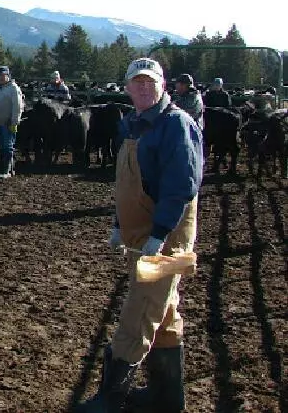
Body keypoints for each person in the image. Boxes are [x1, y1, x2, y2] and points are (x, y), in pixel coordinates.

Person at [80, 58, 203, 412]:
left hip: (168, 236)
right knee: (163, 311)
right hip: (141, 233)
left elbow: (181, 186)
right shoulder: (132, 125)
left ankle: (110, 398)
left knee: (140, 308)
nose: (144, 87)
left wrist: (160, 234)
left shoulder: (176, 124)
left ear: (163, 85)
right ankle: (167, 396)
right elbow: (128, 183)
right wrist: (121, 224)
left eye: (150, 82)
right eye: (137, 82)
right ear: (128, 87)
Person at [0, 65, 24, 179]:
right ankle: (8, 168)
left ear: (8, 76)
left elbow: (18, 106)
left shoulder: (13, 88)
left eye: (3, 75)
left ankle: (7, 171)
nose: (0, 77)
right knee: (2, 146)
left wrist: (15, 121)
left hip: (8, 122)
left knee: (8, 146)